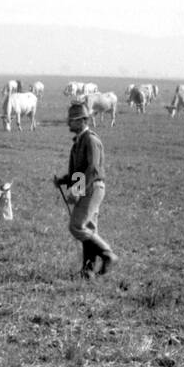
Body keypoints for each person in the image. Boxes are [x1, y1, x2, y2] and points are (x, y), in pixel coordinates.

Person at [54, 100, 117, 278]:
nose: (68, 123)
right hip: (88, 186)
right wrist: (64, 180)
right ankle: (88, 270)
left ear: (83, 121)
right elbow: (80, 170)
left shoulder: (91, 140)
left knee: (76, 226)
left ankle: (107, 255)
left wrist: (77, 189)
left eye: (72, 120)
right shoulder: (80, 141)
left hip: (93, 188)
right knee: (89, 228)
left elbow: (93, 169)